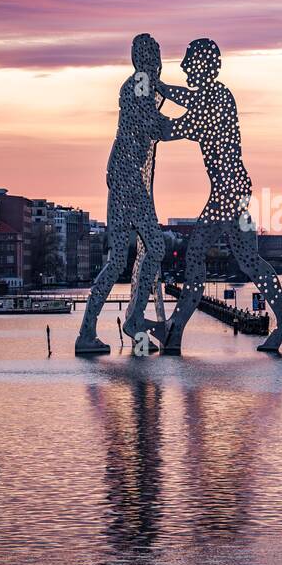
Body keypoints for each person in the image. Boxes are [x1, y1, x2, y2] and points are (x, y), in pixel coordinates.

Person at [156, 38, 282, 353]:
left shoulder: (218, 98)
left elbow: (176, 128)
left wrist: (148, 119)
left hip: (229, 190)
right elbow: (189, 99)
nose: (183, 66)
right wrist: (162, 87)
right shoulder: (212, 95)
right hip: (233, 189)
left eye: (188, 61)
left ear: (204, 65)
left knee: (195, 254)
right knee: (249, 260)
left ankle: (175, 331)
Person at [75, 34, 172, 355]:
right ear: (142, 58)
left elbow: (151, 119)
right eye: (151, 54)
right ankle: (133, 319)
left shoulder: (139, 85)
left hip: (119, 176)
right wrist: (194, 126)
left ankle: (87, 332)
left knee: (117, 259)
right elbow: (153, 125)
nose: (155, 60)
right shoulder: (140, 84)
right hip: (128, 178)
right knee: (156, 246)